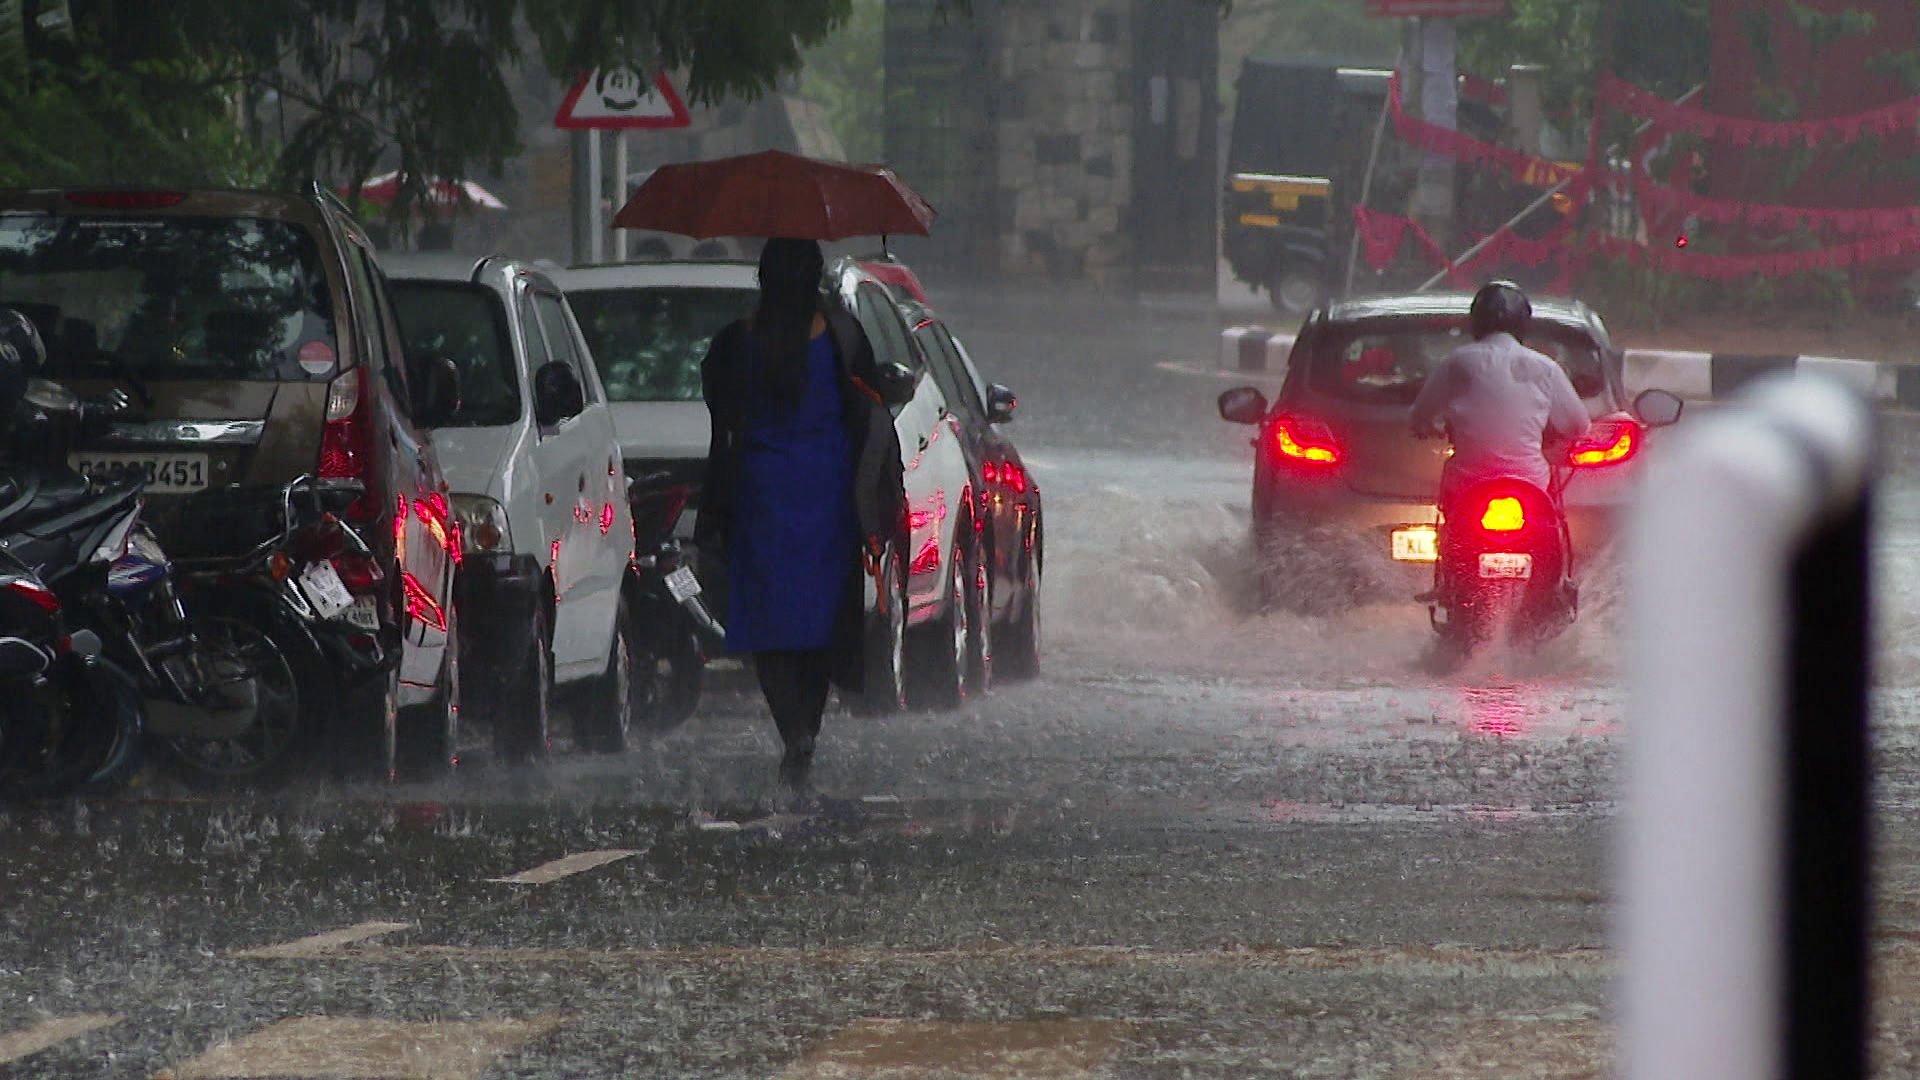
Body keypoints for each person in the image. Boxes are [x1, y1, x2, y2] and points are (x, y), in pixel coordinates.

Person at [696, 238, 908, 791]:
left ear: (763, 278)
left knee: (771, 625)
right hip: (828, 493)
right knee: (819, 623)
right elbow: (870, 400)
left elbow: (718, 404)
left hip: (763, 492)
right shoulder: (840, 333)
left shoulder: (740, 340)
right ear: (815, 277)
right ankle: (806, 735)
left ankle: (793, 733)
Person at [1408, 280, 1591, 504]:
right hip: (1530, 484)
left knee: (1451, 533)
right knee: (1551, 525)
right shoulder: (1546, 368)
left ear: (1475, 322)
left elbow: (1420, 416)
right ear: (1523, 324)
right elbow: (1579, 426)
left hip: (1467, 485)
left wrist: (1431, 427)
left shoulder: (1457, 361)